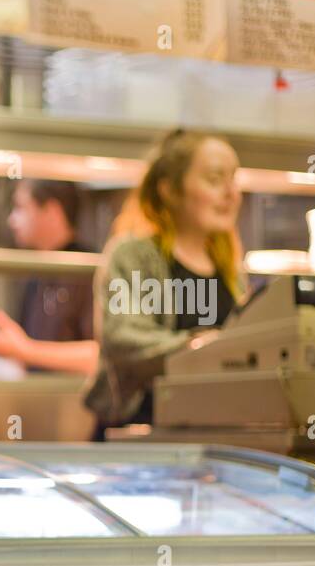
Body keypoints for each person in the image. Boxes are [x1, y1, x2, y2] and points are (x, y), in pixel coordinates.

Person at [86, 129, 245, 434]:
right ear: (170, 190)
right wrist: (198, 347)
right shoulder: (131, 255)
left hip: (210, 437)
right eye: (214, 179)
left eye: (233, 179)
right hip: (139, 439)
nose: (231, 193)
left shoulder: (231, 270)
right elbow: (123, 340)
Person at [0, 179, 98, 375]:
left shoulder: (88, 269)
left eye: (20, 207)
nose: (12, 220)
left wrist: (25, 350)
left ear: (51, 211)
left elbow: (100, 356)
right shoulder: (36, 272)